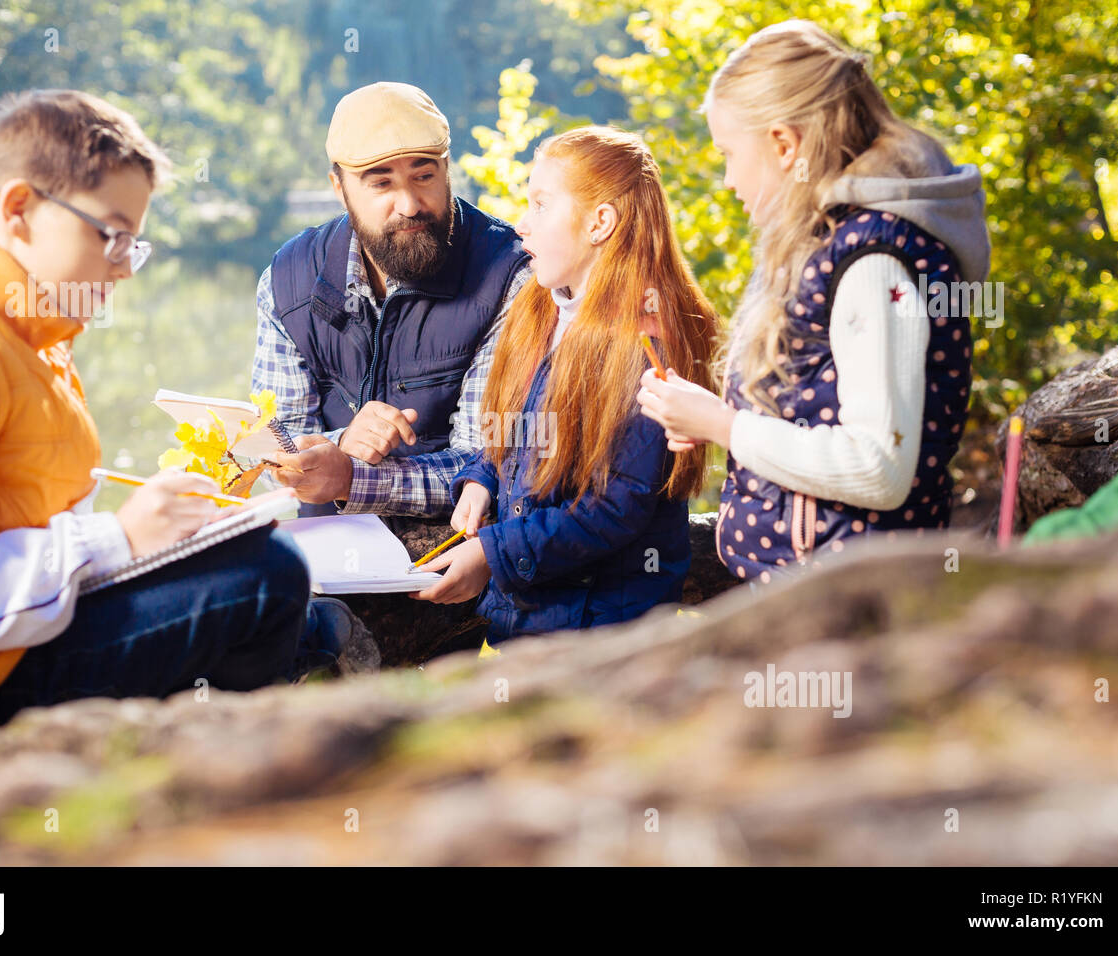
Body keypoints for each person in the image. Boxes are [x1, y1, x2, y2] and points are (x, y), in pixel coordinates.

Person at [0, 89, 375, 723]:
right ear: (19, 209)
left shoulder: (30, 335)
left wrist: (156, 539)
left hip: (2, 648)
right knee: (264, 580)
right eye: (112, 237)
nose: (125, 269)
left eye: (135, 244)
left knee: (247, 556)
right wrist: (121, 537)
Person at [636, 20, 992, 583]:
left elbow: (879, 468)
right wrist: (711, 417)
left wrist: (727, 426)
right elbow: (813, 409)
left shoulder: (876, 261)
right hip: (812, 593)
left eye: (729, 154)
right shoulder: (826, 241)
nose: (728, 179)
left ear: (784, 144)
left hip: (858, 605)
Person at [411, 126, 717, 642]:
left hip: (600, 638)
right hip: (529, 625)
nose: (521, 225)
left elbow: (614, 508)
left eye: (541, 205)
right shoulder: (543, 311)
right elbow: (517, 429)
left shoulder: (648, 345)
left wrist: (492, 552)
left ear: (600, 223)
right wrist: (483, 479)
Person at [254, 82, 531, 518]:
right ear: (339, 187)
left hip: (457, 554)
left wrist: (350, 477)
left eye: (424, 176)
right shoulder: (287, 280)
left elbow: (491, 464)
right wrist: (342, 443)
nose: (409, 204)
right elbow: (271, 449)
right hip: (330, 558)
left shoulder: (510, 277)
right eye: (381, 183)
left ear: (446, 168)